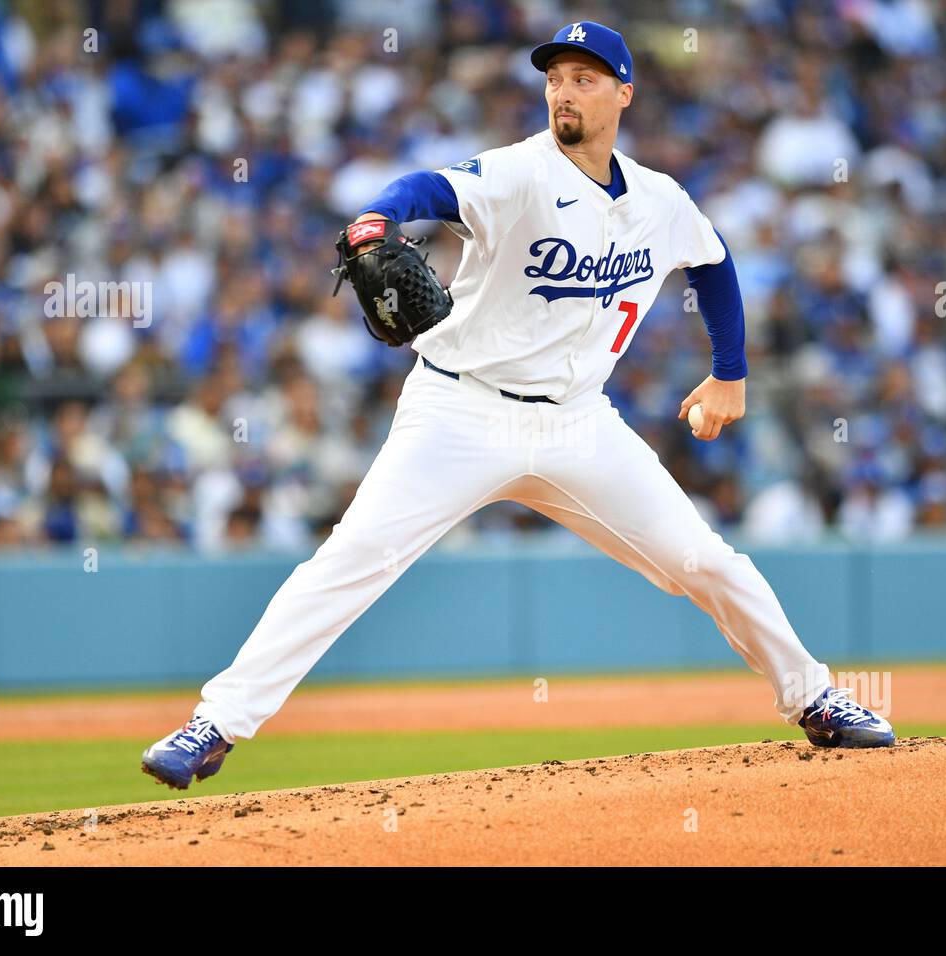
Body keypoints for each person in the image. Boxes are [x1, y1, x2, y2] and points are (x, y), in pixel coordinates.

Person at [141, 21, 894, 790]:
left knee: (702, 560)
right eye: (556, 77)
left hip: (577, 421)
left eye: (585, 77)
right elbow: (430, 189)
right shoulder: (518, 173)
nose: (564, 90)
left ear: (624, 92)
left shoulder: (660, 200)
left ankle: (816, 700)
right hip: (458, 411)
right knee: (351, 559)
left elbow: (714, 260)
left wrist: (729, 372)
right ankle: (215, 725)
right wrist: (375, 221)